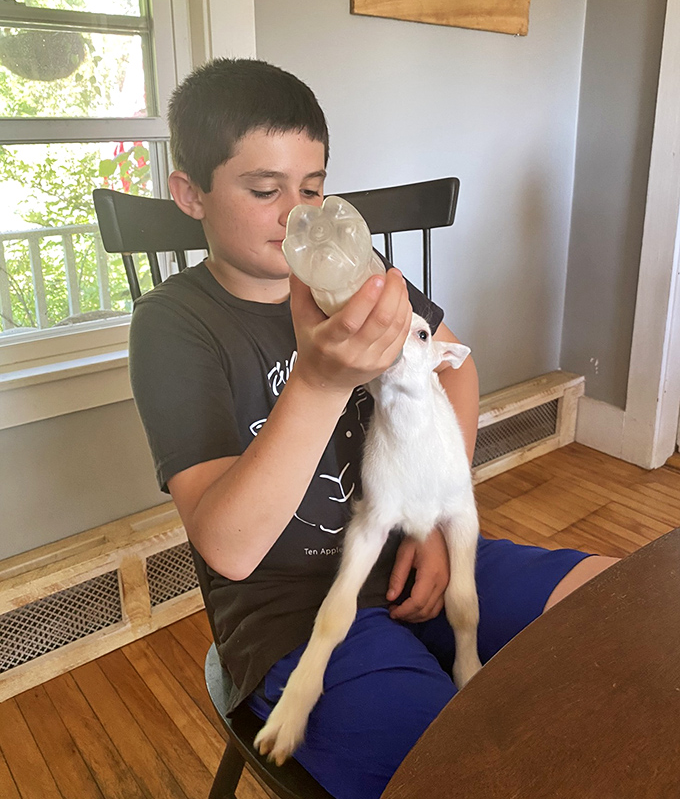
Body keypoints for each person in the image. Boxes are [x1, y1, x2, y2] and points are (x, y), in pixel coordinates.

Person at [129, 57, 617, 799]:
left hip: (405, 549)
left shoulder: (359, 277)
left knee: (622, 609)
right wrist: (320, 381)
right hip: (290, 615)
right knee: (471, 767)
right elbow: (227, 547)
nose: (298, 214)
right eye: (264, 190)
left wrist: (428, 524)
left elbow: (454, 364)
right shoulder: (173, 327)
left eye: (313, 188)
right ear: (189, 194)